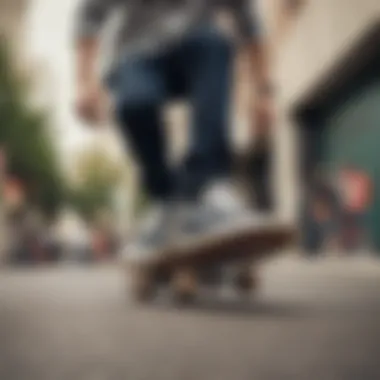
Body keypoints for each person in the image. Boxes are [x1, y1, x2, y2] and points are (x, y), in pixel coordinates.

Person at [74, 0, 275, 258]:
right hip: (137, 51)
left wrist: (263, 93)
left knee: (215, 43)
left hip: (196, 45)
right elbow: (90, 15)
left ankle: (209, 184)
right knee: (135, 103)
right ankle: (165, 198)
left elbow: (250, 23)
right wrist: (84, 82)